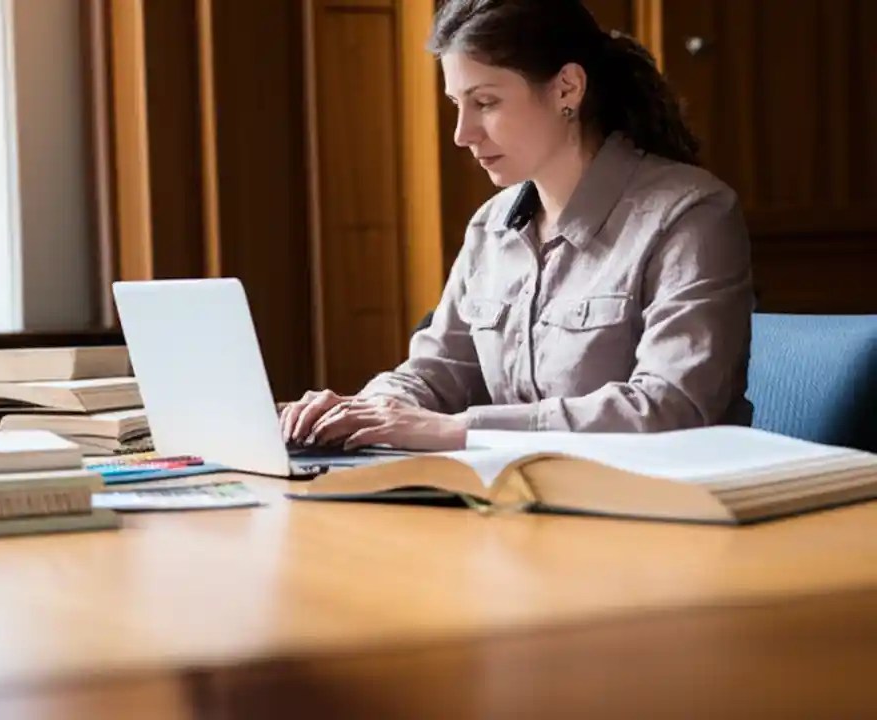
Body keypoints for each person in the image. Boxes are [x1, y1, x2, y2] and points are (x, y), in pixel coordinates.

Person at [280, 0, 753, 452]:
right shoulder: (492, 227)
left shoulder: (692, 215)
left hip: (655, 514)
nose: (462, 134)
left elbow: (670, 408)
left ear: (567, 88)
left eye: (485, 102)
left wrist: (463, 430)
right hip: (519, 505)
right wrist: (361, 410)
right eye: (456, 104)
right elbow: (436, 370)